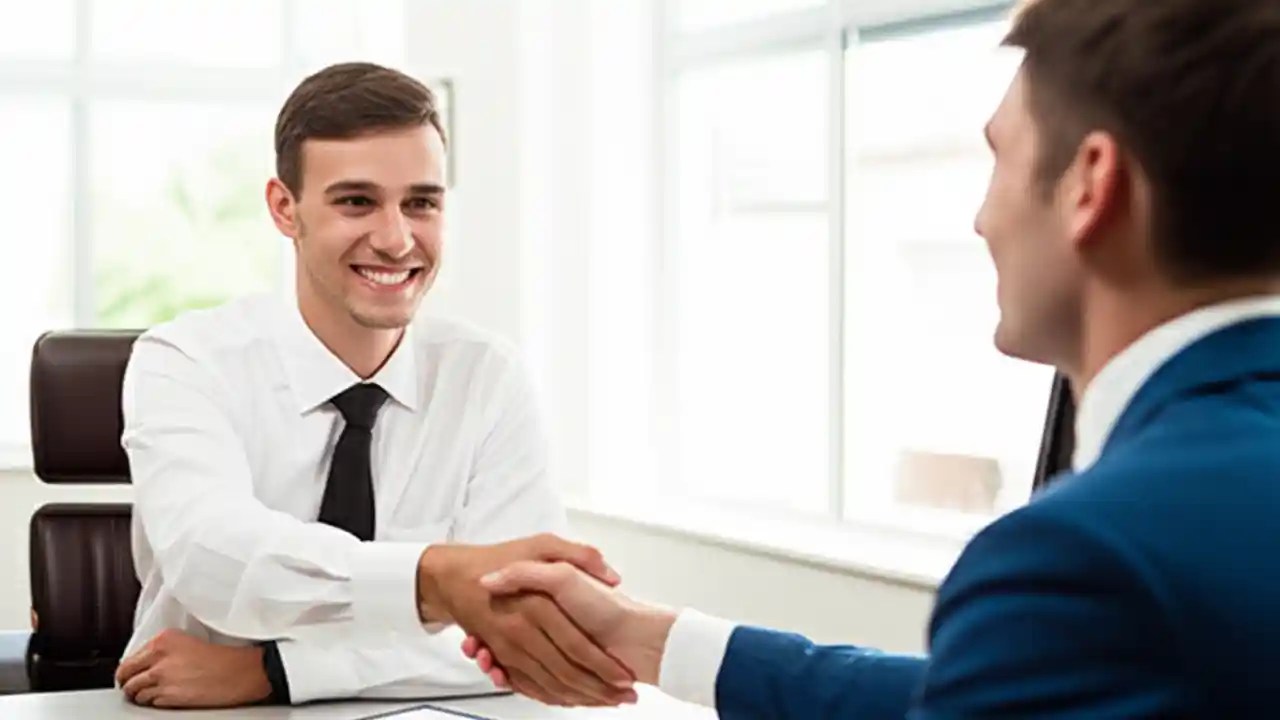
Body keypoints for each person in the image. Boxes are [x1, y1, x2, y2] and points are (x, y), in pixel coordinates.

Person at [462, 0, 1280, 716]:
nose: (981, 219)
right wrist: (653, 642)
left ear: (1090, 184)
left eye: (997, 157)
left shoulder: (1083, 559)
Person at [112, 62, 636, 710]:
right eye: (356, 201)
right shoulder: (185, 361)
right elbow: (216, 560)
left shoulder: (487, 378)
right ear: (284, 207)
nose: (395, 239)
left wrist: (278, 672)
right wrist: (438, 581)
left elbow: (523, 629)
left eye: (421, 201)